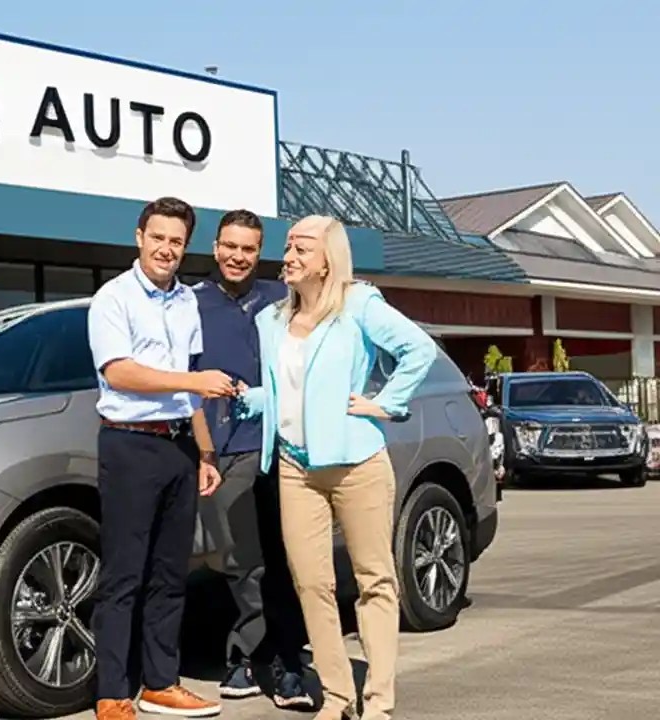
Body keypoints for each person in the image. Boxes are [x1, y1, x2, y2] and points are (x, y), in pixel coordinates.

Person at [231, 215, 436, 720]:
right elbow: (286, 390)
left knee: (374, 581)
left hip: (357, 464)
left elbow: (419, 349)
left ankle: (379, 702)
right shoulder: (271, 320)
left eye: (302, 248)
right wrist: (248, 399)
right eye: (289, 247)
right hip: (295, 466)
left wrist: (385, 403)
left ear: (328, 260)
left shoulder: (359, 305)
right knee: (311, 585)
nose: (290, 257)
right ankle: (339, 698)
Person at [87, 196, 232, 720]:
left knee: (171, 572)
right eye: (158, 238)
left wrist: (205, 451)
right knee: (124, 573)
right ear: (139, 237)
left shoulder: (186, 303)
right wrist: (192, 381)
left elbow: (188, 396)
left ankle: (160, 683)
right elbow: (120, 372)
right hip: (129, 443)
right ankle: (111, 691)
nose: (166, 249)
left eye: (176, 241)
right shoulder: (113, 299)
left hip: (178, 445)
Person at [190, 210, 313, 710]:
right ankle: (246, 654)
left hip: (284, 445)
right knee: (242, 562)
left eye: (248, 249)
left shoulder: (281, 302)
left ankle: (286, 663)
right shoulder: (192, 304)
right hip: (227, 449)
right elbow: (187, 386)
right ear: (216, 247)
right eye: (230, 246)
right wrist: (206, 451)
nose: (238, 257)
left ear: (259, 252)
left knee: (286, 560)